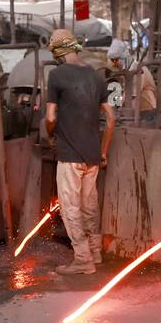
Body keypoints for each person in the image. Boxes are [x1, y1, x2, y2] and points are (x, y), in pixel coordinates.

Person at [46, 28, 116, 275]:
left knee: (70, 207)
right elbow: (110, 117)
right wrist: (104, 150)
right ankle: (95, 253)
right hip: (93, 155)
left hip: (70, 155)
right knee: (89, 206)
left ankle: (82, 259)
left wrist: (49, 134)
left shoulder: (56, 75)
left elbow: (51, 116)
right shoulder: (96, 76)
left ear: (56, 50)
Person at [106, 39, 158, 125]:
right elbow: (120, 94)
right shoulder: (124, 71)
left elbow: (132, 96)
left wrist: (117, 111)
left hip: (146, 111)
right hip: (135, 110)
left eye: (115, 60)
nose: (114, 64)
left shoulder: (139, 70)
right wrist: (112, 106)